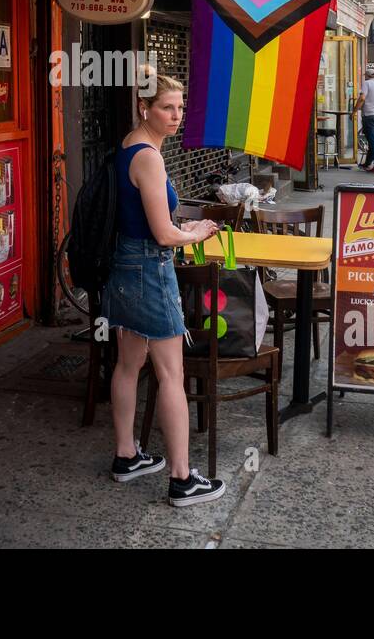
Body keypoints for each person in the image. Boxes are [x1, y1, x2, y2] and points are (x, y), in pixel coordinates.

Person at [102, 71, 225, 507]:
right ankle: (181, 478)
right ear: (144, 107)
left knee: (128, 363)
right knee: (172, 374)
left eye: (180, 107)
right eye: (166, 108)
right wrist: (193, 233)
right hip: (149, 270)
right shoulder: (149, 158)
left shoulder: (129, 146)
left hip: (123, 265)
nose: (176, 116)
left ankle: (126, 455)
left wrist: (178, 229)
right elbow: (162, 235)